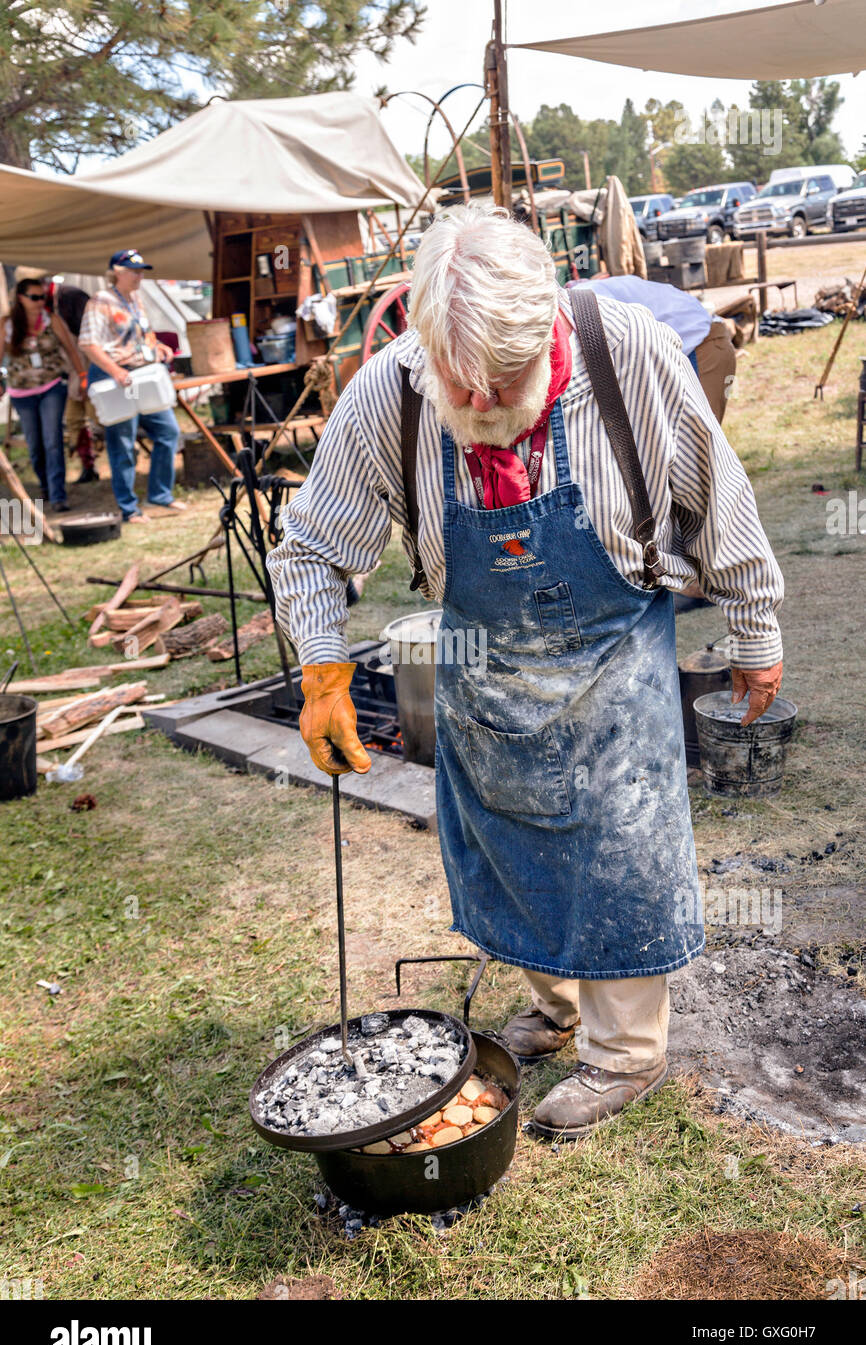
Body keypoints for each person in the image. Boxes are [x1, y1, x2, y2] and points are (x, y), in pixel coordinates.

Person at [266, 205, 784, 1138]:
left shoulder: (626, 354)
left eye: (503, 385)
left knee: (621, 854)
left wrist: (755, 624)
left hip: (614, 647)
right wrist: (322, 672)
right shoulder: (392, 390)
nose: (478, 409)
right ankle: (556, 1008)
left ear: (546, 324)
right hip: (484, 662)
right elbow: (309, 549)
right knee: (514, 848)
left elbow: (718, 493)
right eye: (459, 390)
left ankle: (625, 1056)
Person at [78, 250, 183, 524]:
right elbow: (89, 344)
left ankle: (160, 494)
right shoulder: (101, 301)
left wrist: (157, 346)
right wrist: (115, 371)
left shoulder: (135, 298)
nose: (139, 276)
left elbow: (143, 334)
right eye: (134, 271)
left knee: (168, 430)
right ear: (117, 271)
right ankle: (129, 508)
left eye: (141, 271)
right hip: (113, 376)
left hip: (141, 375)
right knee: (123, 442)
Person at [584, 272, 738, 424]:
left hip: (704, 344)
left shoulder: (591, 301)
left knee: (698, 441)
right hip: (686, 346)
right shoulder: (591, 292)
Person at [1, 277, 86, 510]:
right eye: (34, 297)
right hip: (21, 392)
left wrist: (82, 375)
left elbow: (71, 348)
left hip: (52, 386)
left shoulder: (51, 320)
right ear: (21, 298)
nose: (40, 302)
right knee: (35, 445)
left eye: (43, 297)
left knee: (53, 440)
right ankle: (45, 486)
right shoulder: (7, 324)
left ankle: (58, 495)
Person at [48, 281, 99, 484]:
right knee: (74, 421)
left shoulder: (71, 297)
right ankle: (88, 466)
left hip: (89, 368)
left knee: (101, 418)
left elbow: (86, 340)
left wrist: (87, 375)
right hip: (73, 372)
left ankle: (124, 460)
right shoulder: (50, 304)